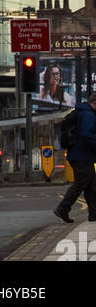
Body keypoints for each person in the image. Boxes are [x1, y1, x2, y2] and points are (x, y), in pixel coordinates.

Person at [54, 93, 96, 224]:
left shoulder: (83, 112)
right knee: (81, 183)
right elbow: (88, 135)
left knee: (91, 184)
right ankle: (63, 208)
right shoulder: (88, 115)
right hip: (81, 155)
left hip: (80, 154)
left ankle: (94, 214)